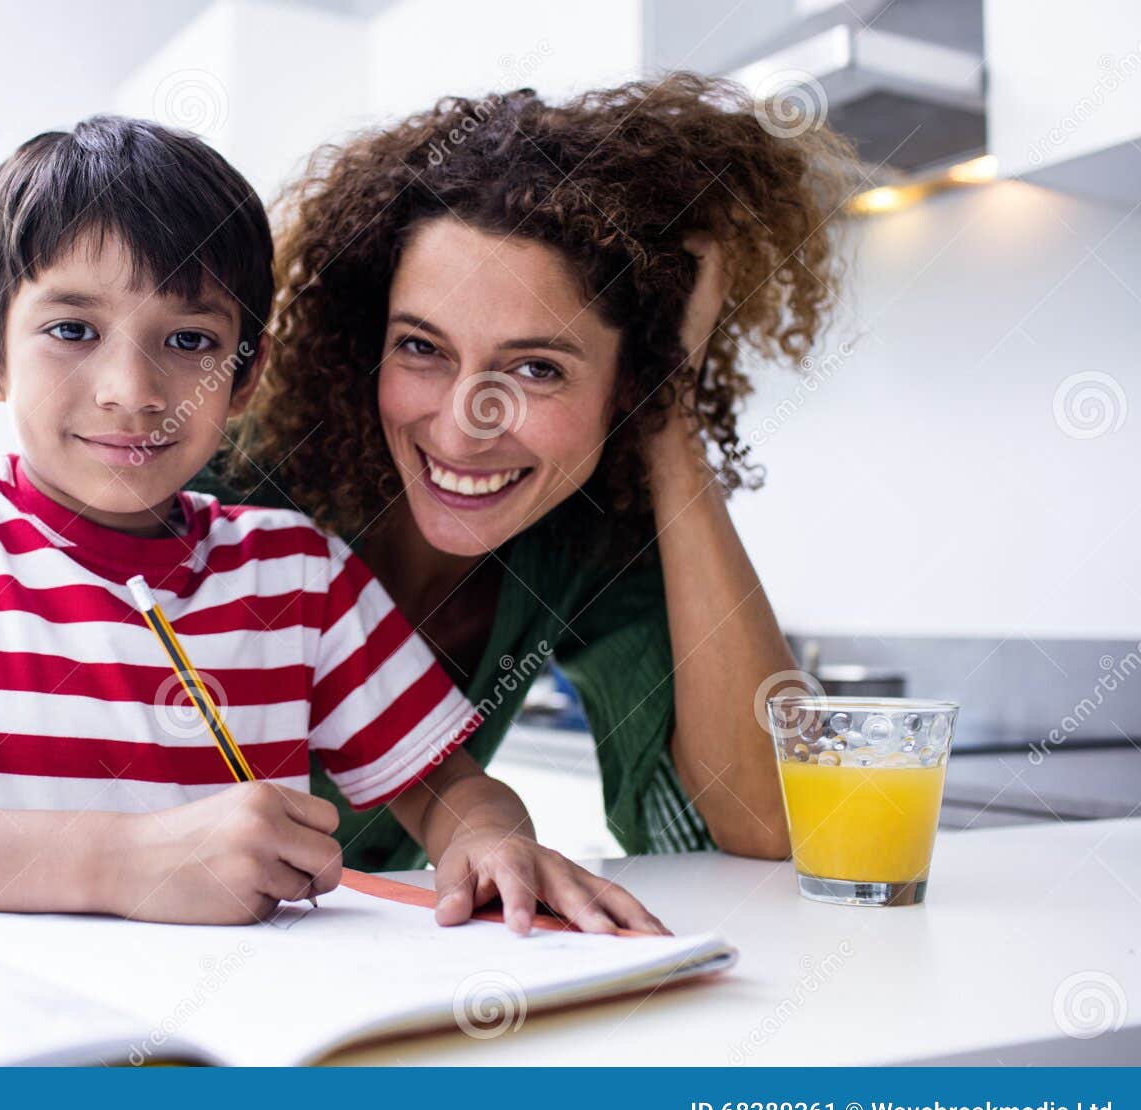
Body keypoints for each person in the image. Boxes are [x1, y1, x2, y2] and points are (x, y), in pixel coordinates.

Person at [0, 115, 668, 936]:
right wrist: (120, 862)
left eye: (190, 341)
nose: (132, 391)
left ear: (243, 378)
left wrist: (491, 838)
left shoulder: (296, 576)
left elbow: (451, 790)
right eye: (72, 329)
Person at [196, 74, 856, 871]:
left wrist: (668, 410)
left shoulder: (585, 532)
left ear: (625, 382)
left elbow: (767, 819)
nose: (462, 423)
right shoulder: (225, 479)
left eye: (538, 368)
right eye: (421, 347)